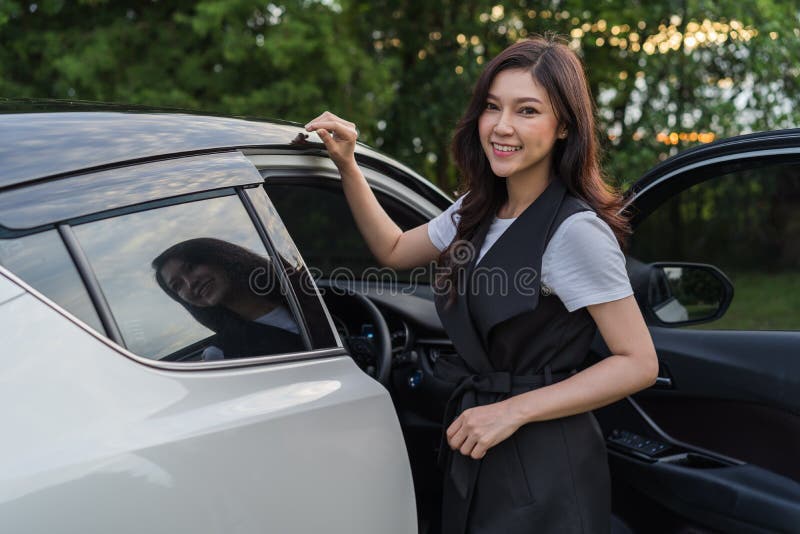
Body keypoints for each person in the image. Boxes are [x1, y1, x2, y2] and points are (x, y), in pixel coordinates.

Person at [305, 35, 658, 534]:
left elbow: (638, 363)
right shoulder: (479, 207)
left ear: (564, 128)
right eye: (493, 107)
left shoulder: (575, 231)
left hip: (545, 462)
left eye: (528, 110)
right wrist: (348, 165)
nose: (503, 126)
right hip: (478, 439)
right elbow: (394, 250)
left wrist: (511, 411)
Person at [152, 237, 304, 360]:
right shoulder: (223, 354)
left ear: (220, 258)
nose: (190, 283)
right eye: (177, 285)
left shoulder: (306, 288)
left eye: (191, 267)